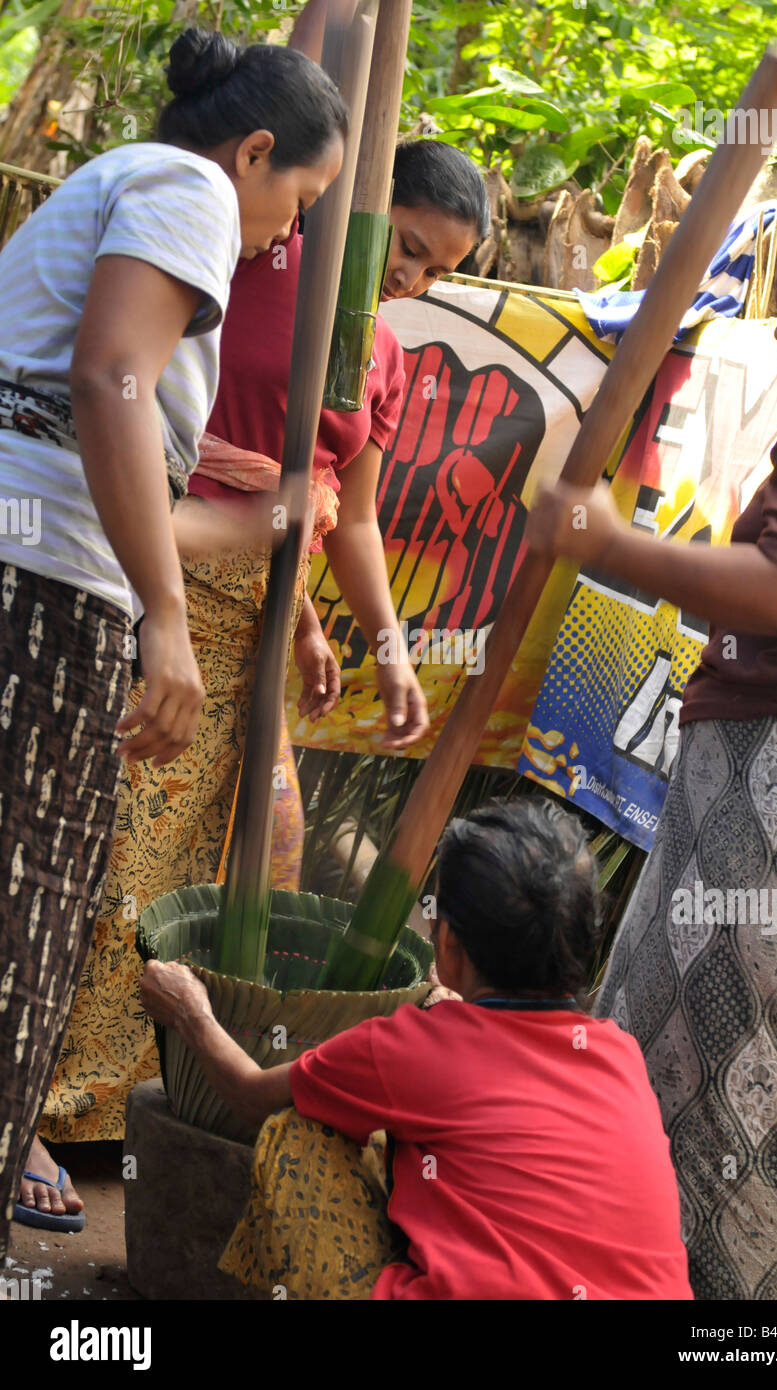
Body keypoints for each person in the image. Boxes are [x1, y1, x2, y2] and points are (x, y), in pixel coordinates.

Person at [34, 136, 490, 1199]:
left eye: (434, 271)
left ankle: (139, 1098)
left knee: (254, 852)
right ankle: (34, 1102)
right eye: (406, 249)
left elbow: (349, 513)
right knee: (107, 843)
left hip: (264, 621)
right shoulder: (246, 257)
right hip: (158, 575)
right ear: (355, 212)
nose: (411, 280)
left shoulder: (372, 352)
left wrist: (376, 644)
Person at [7, 25, 348, 1239]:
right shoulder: (188, 184)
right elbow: (108, 384)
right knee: (22, 908)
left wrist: (255, 526)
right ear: (254, 152)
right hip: (36, 589)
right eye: (298, 199)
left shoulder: (136, 185)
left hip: (43, 568)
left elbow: (105, 453)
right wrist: (163, 618)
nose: (289, 238)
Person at [526, 192, 777, 1300]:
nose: (773, 329)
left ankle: (699, 1295)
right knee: (725, 1041)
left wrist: (609, 541)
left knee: (730, 1051)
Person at [141, 798, 693, 1300]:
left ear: (447, 944)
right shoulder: (619, 1055)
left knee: (299, 1133)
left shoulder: (412, 1048)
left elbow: (249, 1094)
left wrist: (191, 1010)